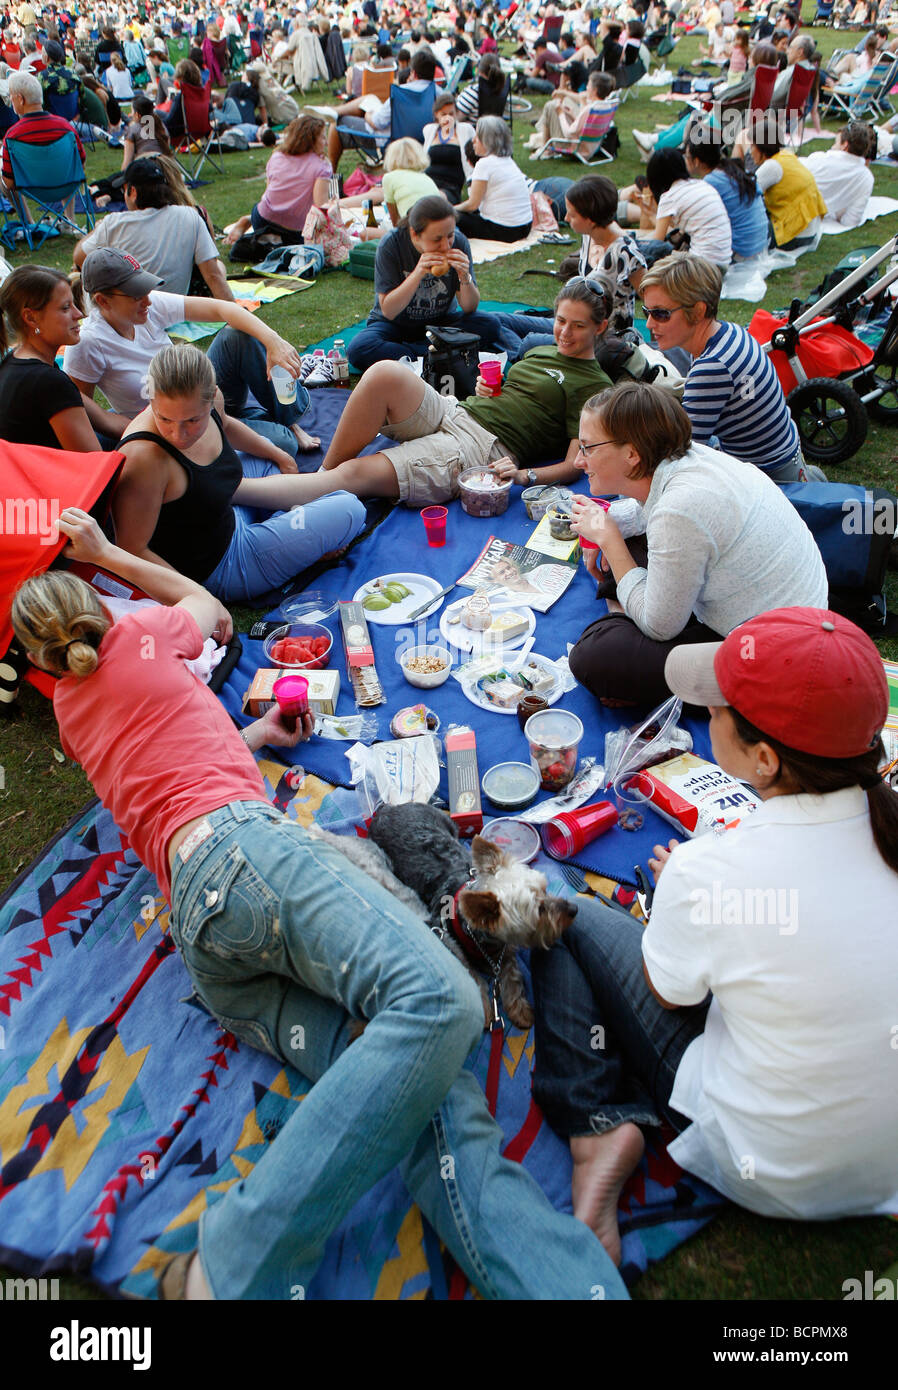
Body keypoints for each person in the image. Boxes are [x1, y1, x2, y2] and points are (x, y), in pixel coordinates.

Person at [9, 508, 629, 1303]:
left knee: (429, 1100)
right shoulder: (138, 639)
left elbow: (168, 768)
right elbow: (205, 606)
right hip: (248, 860)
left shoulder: (70, 708)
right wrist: (110, 553)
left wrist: (256, 735)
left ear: (39, 657)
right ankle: (230, 1267)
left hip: (209, 945)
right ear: (101, 614)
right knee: (443, 1006)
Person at [531, 605, 898, 1265]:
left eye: (716, 708)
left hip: (771, 1167)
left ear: (763, 758)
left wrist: (683, 892)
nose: (705, 716)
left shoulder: (715, 868)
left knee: (558, 915)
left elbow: (670, 995)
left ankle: (594, 1128)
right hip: (885, 1166)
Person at [565, 381, 828, 706]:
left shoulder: (680, 507)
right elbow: (647, 509)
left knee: (595, 656)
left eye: (588, 448)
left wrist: (609, 538)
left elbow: (659, 627)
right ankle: (627, 615)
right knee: (628, 547)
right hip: (780, 614)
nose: (578, 461)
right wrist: (605, 524)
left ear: (632, 453)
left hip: (770, 659)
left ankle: (632, 647)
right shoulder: (686, 459)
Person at [292, 279, 614, 508]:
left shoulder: (594, 385)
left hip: (483, 446)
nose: (565, 333)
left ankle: (276, 496)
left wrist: (523, 476)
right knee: (383, 373)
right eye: (559, 321)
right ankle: (321, 478)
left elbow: (576, 462)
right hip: (457, 410)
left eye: (578, 326)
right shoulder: (540, 349)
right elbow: (508, 391)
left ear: (599, 327)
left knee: (355, 474)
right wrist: (484, 388)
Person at [111, 344, 365, 600]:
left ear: (211, 398)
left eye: (192, 420)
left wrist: (277, 453)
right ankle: (291, 535)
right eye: (164, 419)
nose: (179, 434)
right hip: (224, 564)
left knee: (270, 462)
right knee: (349, 508)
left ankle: (288, 531)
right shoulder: (143, 458)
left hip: (223, 510)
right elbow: (131, 550)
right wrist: (197, 598)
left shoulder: (212, 400)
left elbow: (227, 425)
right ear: (151, 402)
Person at [64, 248, 320, 459]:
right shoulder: (88, 343)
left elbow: (224, 310)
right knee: (284, 445)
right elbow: (81, 411)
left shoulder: (147, 306)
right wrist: (146, 432)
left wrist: (274, 341)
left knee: (239, 334)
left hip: (202, 395)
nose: (148, 301)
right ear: (103, 301)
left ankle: (287, 419)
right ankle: (252, 425)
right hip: (179, 425)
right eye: (136, 295)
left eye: (146, 290)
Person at [640, 252, 824, 479]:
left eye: (661, 313)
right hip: (785, 453)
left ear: (698, 311)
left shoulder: (711, 367)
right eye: (646, 312)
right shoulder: (730, 332)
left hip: (768, 475)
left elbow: (682, 455)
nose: (649, 323)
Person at [345, 193, 512, 373]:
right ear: (415, 234)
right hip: (395, 326)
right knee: (360, 349)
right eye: (436, 239)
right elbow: (388, 310)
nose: (446, 246)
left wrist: (464, 276)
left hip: (440, 323)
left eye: (449, 236)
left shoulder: (459, 242)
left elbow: (469, 307)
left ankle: (416, 357)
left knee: (490, 325)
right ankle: (440, 355)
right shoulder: (391, 245)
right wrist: (418, 273)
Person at [0, 265, 125, 450]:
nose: (79, 314)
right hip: (59, 476)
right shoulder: (48, 382)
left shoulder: (16, 360)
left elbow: (105, 420)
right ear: (31, 318)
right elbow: (94, 464)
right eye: (66, 308)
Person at [73, 158, 231, 300]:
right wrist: (236, 319)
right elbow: (213, 275)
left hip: (129, 313)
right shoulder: (190, 215)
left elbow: (80, 258)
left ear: (132, 191)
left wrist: (97, 229)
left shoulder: (115, 223)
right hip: (172, 310)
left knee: (76, 278)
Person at [223, 114, 332, 248]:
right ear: (311, 139)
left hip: (263, 219)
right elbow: (320, 207)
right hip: (295, 230)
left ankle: (249, 221)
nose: (326, 142)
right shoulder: (322, 166)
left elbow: (270, 194)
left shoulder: (277, 156)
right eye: (323, 137)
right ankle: (253, 225)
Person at [327, 47, 437, 172]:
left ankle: (331, 174)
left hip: (392, 144)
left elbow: (377, 123)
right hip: (425, 146)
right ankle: (336, 110)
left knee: (336, 123)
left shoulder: (401, 94)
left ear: (413, 73)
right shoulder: (438, 95)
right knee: (368, 99)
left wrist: (368, 114)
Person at [1, 69, 86, 224]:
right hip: (66, 184)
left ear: (20, 99)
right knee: (68, 166)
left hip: (31, 190)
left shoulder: (12, 136)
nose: (10, 99)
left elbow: (9, 182)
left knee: (3, 181)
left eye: (11, 95)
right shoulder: (66, 128)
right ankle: (70, 220)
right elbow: (81, 163)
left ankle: (29, 223)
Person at [739, 114, 827, 249]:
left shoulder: (771, 166)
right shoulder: (787, 156)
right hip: (809, 229)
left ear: (761, 147)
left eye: (752, 146)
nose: (750, 152)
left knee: (743, 229)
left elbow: (746, 198)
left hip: (796, 234)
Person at [684, 123, 768, 259]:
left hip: (740, 251)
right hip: (759, 245)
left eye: (687, 157)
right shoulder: (734, 169)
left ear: (697, 161)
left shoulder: (711, 182)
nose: (686, 160)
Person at [640, 148, 732, 266]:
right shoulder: (701, 184)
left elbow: (656, 245)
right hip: (723, 264)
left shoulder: (669, 197)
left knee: (649, 253)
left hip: (702, 269)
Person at [454, 115, 532, 243]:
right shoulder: (508, 161)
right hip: (525, 227)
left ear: (487, 141)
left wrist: (451, 208)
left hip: (505, 230)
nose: (473, 140)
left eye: (477, 137)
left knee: (450, 216)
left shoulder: (484, 164)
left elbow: (472, 204)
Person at [798, 120, 876, 228]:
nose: (832, 146)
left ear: (845, 145)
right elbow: (850, 221)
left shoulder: (819, 160)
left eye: (836, 142)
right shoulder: (866, 178)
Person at [528, 69, 618, 158]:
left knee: (550, 106)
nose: (586, 88)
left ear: (594, 90)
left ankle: (546, 150)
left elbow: (568, 133)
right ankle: (544, 141)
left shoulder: (590, 109)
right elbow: (584, 128)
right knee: (559, 106)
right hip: (591, 148)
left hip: (576, 148)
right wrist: (570, 114)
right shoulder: (607, 106)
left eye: (588, 85)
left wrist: (561, 114)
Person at [422, 90, 476, 204]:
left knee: (435, 198)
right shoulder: (430, 130)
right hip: (428, 182)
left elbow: (474, 159)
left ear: (456, 114)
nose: (447, 118)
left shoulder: (465, 130)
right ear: (436, 114)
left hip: (450, 186)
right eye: (443, 114)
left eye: (451, 114)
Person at [119, 93, 172, 165]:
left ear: (138, 115)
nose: (131, 115)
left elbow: (127, 163)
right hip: (165, 170)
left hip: (144, 169)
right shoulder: (161, 127)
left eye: (132, 111)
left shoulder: (133, 130)